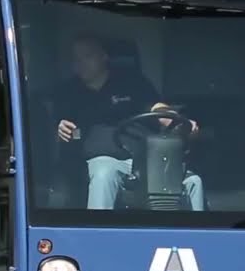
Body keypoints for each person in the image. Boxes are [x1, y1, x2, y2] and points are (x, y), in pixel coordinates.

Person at [51, 34, 205, 210]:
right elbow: (61, 128)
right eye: (76, 59)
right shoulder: (68, 92)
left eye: (87, 56)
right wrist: (61, 129)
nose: (81, 63)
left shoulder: (132, 82)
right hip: (102, 162)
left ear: (103, 56)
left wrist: (179, 122)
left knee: (194, 182)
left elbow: (157, 109)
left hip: (148, 161)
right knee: (104, 173)